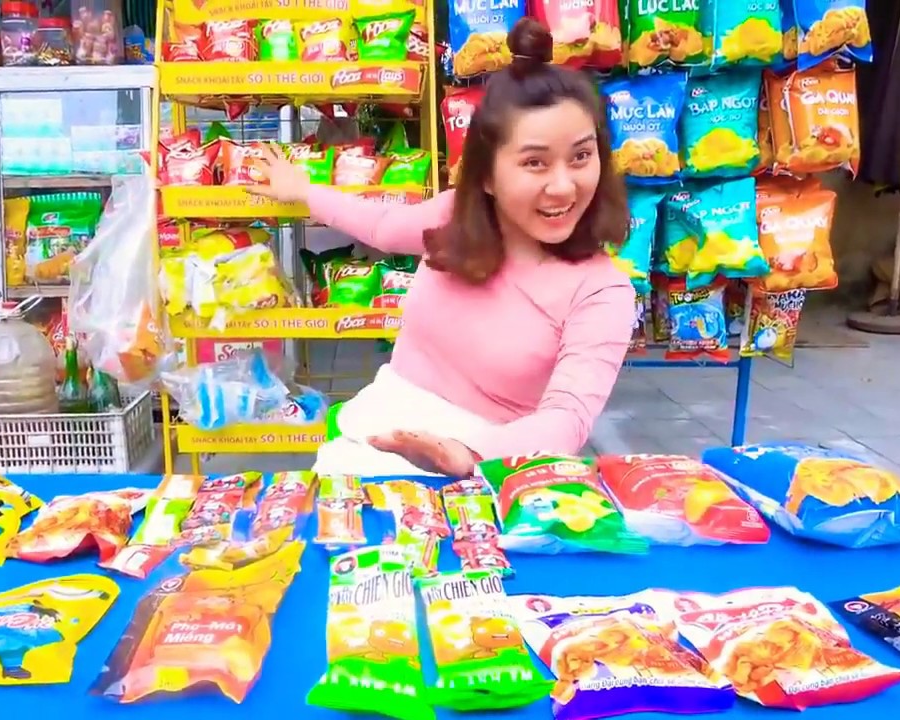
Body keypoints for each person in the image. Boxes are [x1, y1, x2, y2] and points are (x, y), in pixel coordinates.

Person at [249, 18, 634, 477]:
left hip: (491, 471)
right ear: (488, 174)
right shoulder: (455, 216)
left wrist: (467, 453)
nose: (563, 186)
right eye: (535, 162)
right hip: (375, 434)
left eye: (581, 156)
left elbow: (565, 419)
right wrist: (303, 190)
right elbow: (385, 226)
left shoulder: (602, 291)